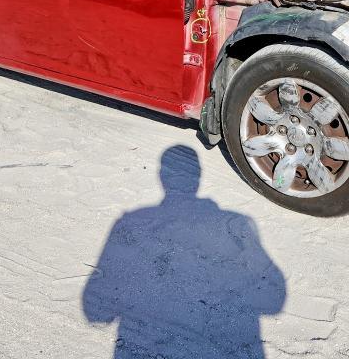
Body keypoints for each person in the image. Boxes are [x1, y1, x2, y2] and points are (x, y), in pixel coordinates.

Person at [82, 145, 286, 358]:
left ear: (161, 177)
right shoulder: (239, 223)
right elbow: (274, 301)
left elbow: (95, 312)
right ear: (198, 178)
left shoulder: (131, 221)